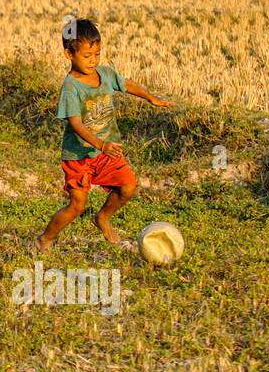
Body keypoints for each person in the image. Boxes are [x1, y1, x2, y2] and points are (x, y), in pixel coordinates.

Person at [35, 18, 172, 252]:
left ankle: (103, 217)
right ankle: (45, 238)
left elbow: (126, 84)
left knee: (128, 186)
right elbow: (75, 123)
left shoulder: (105, 74)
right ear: (69, 54)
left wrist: (150, 97)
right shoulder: (71, 87)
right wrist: (100, 143)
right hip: (79, 156)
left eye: (97, 54)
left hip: (107, 152)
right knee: (77, 206)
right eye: (87, 56)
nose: (93, 61)